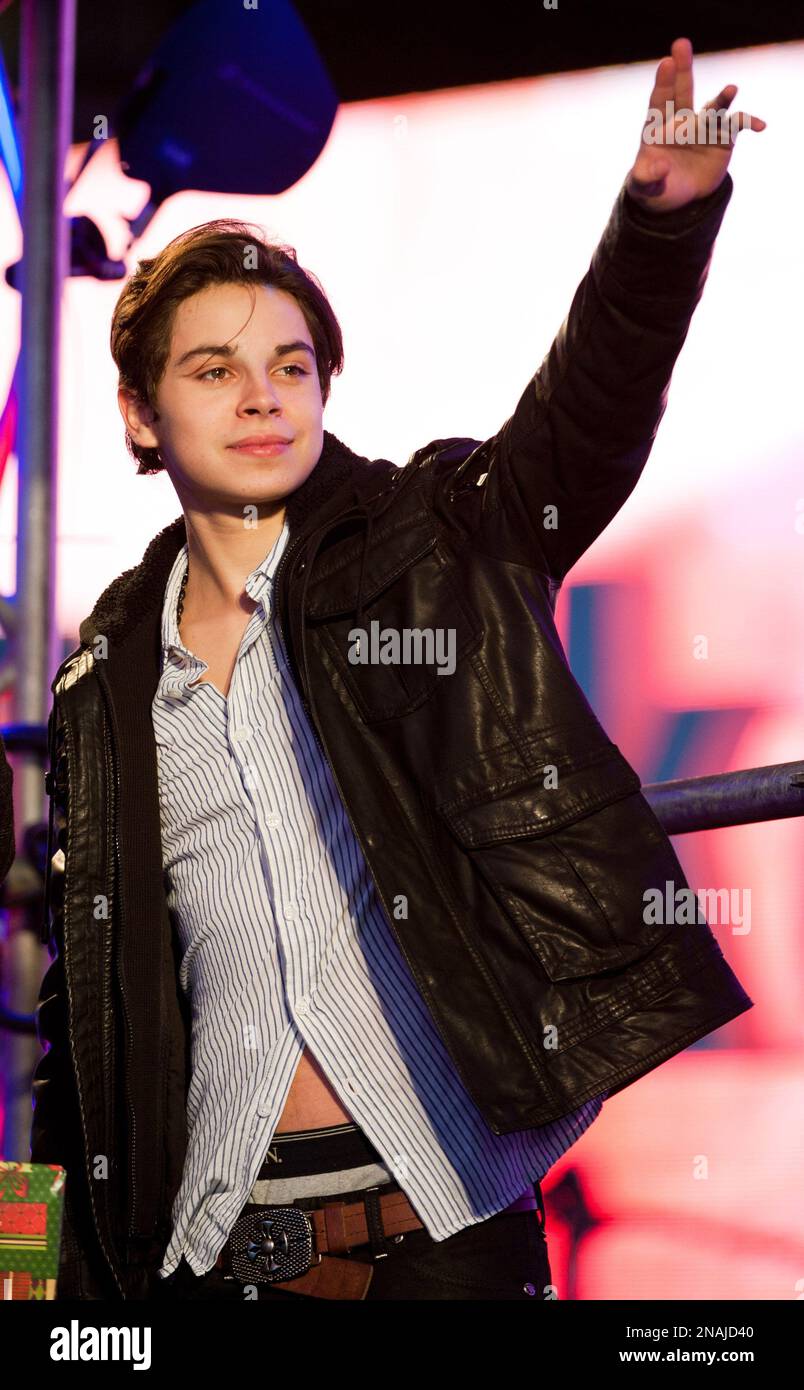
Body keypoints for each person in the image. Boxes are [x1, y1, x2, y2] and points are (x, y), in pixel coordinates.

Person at [30, 37, 761, 1301]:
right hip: (218, 1251)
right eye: (215, 369)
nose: (263, 397)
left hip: (452, 1230)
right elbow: (75, 1022)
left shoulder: (429, 542)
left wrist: (660, 227)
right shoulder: (102, 678)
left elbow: (579, 428)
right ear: (143, 415)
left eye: (290, 365)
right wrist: (30, 1275)